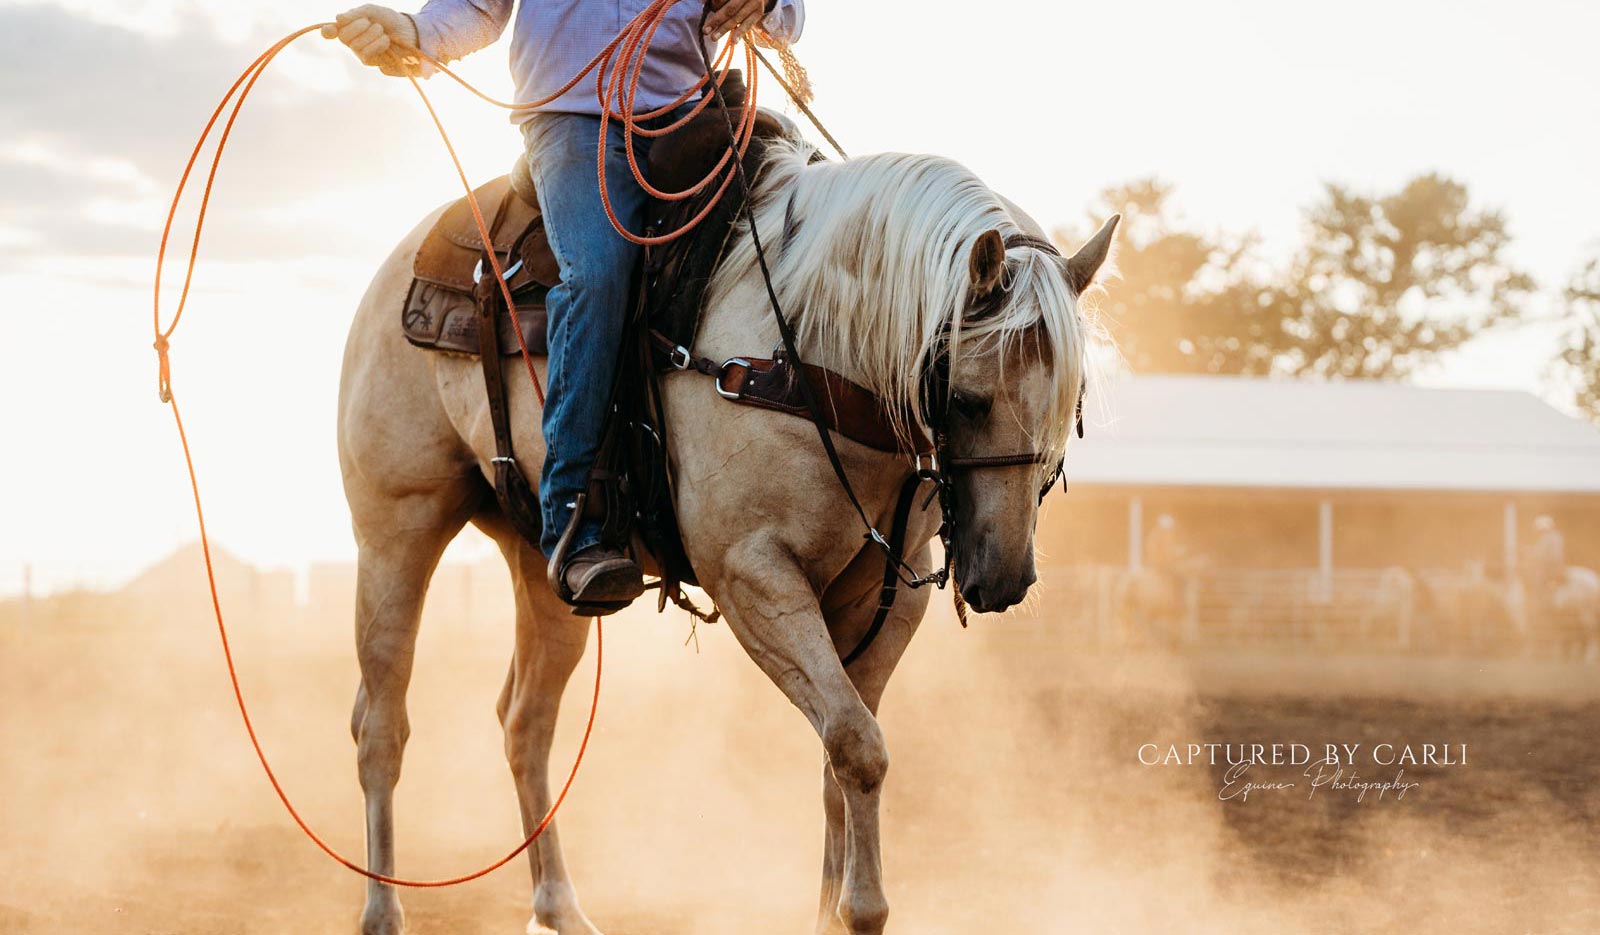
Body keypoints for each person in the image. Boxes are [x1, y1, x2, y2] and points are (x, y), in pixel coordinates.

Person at [324, 0, 806, 605]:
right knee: (598, 276)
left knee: (803, 235)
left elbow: (787, 13)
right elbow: (477, 6)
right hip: (574, 122)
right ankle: (574, 518)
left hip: (694, 115)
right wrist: (417, 34)